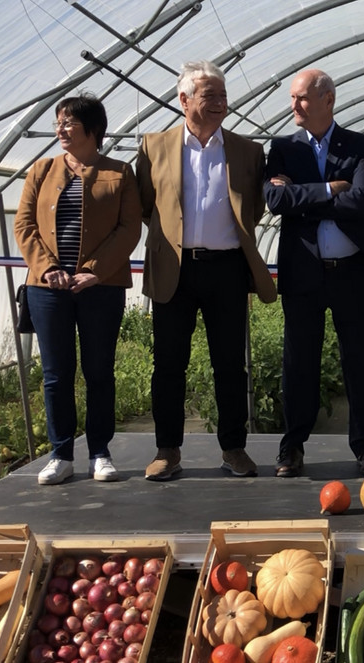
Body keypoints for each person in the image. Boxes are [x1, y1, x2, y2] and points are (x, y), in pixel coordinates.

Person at [137, 61, 277, 481]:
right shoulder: (154, 146)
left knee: (230, 364)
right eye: (209, 95)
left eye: (222, 95)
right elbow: (146, 203)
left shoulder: (247, 151)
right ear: (184, 100)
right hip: (175, 269)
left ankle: (234, 448)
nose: (220, 103)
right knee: (168, 364)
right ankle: (167, 450)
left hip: (227, 269)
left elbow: (253, 207)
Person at [264, 69, 364, 478]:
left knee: (361, 360)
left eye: (302, 98)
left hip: (351, 271)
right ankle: (292, 448)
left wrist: (300, 195)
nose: (294, 106)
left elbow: (357, 203)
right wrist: (327, 189)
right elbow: (273, 200)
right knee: (299, 361)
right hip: (304, 271)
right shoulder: (283, 147)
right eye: (292, 98)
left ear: (327, 100)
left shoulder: (359, 145)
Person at [14, 95, 142, 485]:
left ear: (93, 129)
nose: (60, 129)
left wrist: (94, 272)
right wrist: (47, 267)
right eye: (58, 123)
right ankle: (61, 453)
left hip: (99, 289)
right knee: (56, 373)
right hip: (47, 289)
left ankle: (100, 452)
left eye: (68, 122)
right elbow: (24, 226)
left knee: (99, 370)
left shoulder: (119, 173)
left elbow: (129, 229)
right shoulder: (41, 171)